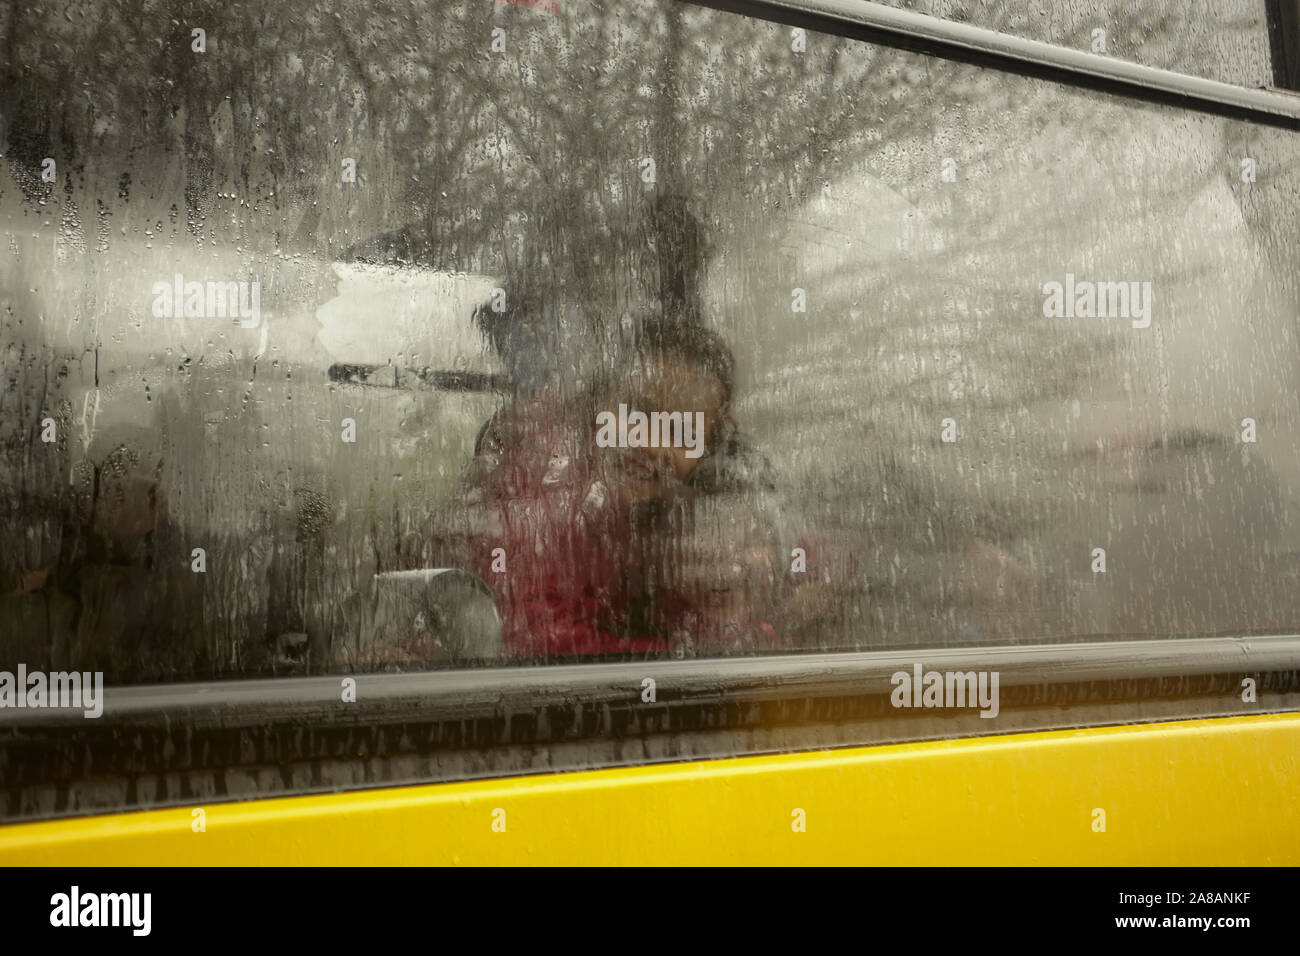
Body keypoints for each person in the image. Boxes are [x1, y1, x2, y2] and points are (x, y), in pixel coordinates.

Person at [463, 316, 780, 659]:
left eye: (680, 432)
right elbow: (527, 635)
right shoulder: (531, 492)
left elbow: (669, 600)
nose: (651, 444)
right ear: (597, 402)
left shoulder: (657, 510)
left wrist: (734, 632)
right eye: (636, 413)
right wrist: (678, 657)